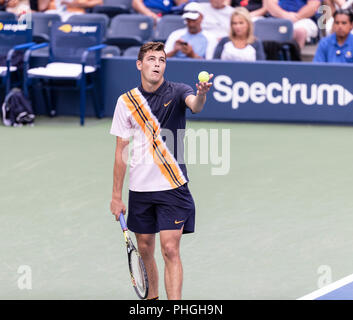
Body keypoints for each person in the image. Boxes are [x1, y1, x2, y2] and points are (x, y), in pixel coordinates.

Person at [110, 41, 213, 300]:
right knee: (145, 249)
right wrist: (116, 196)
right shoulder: (126, 102)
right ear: (140, 64)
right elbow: (120, 151)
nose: (157, 64)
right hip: (140, 189)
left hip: (173, 187)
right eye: (152, 59)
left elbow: (195, 105)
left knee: (170, 249)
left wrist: (201, 94)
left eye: (162, 60)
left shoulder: (179, 91)